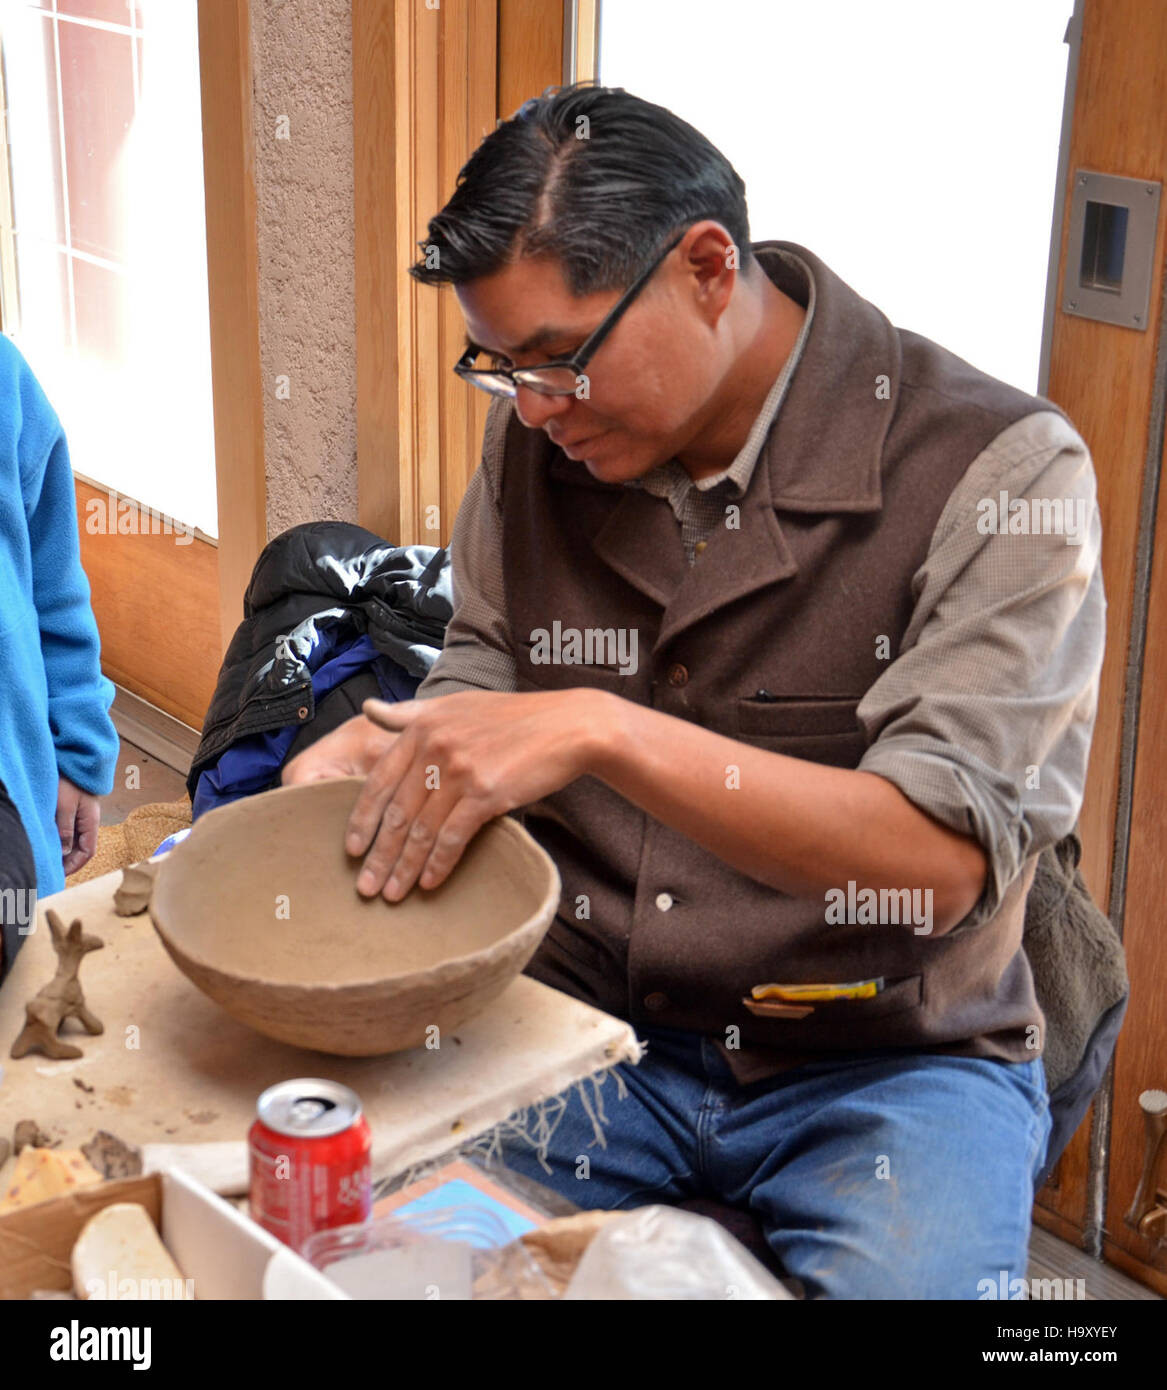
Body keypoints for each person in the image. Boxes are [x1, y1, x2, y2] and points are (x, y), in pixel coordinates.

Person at [283, 83, 1105, 1298]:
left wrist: (601, 730)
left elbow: (937, 862)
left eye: (560, 360)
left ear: (708, 269)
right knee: (351, 1260)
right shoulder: (540, 437)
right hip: (582, 1016)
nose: (534, 409)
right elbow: (485, 666)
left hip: (886, 1054)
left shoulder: (1004, 472)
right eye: (501, 369)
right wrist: (398, 750)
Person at [0, 333, 118, 981]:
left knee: (25, 973)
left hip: (7, 793)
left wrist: (77, 752)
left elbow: (56, 585)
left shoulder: (5, 381)